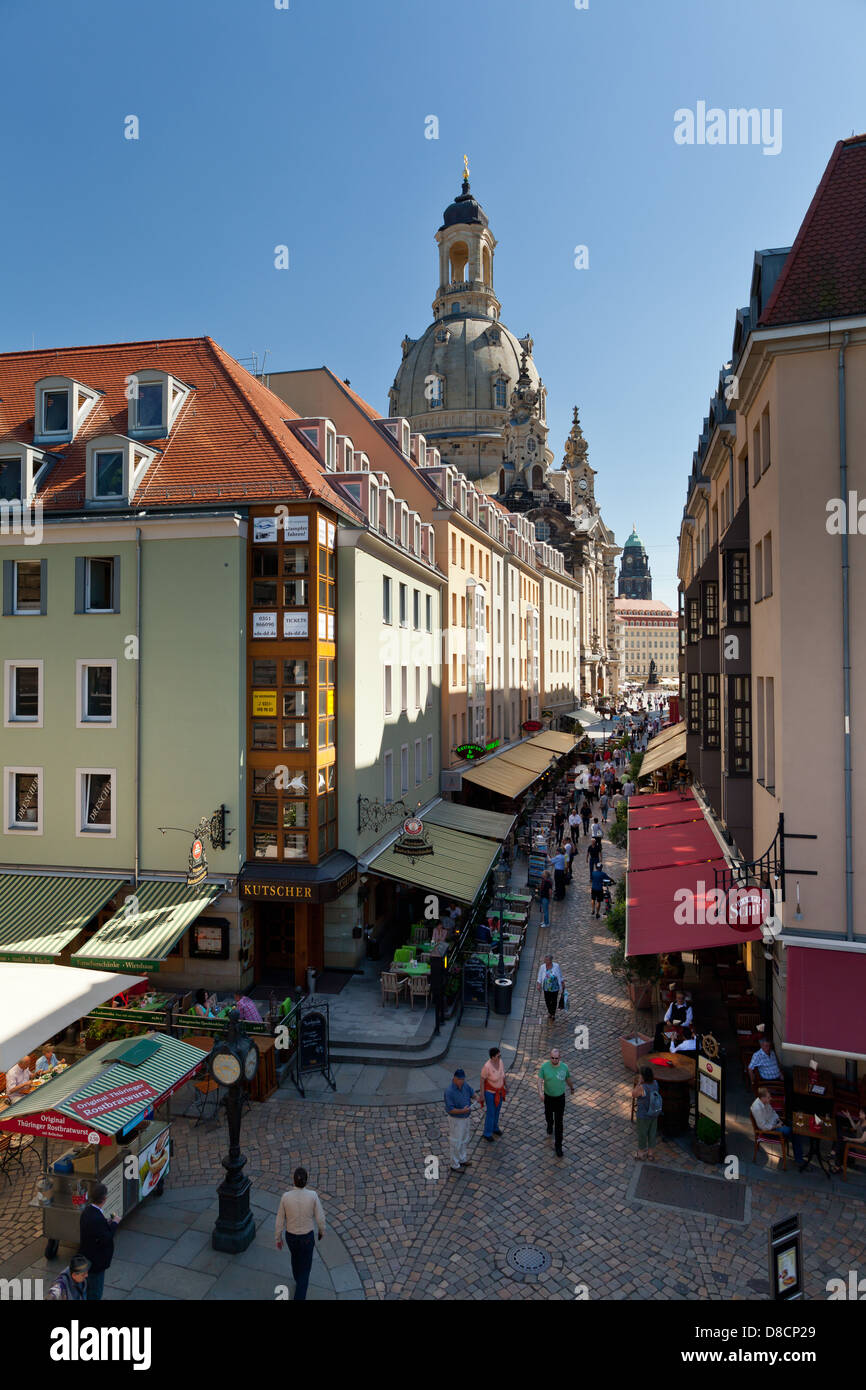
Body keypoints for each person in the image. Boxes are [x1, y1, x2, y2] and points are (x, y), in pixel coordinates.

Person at [275, 1166, 326, 1301]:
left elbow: (280, 1219)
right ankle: (300, 1291)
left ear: (294, 1180)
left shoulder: (286, 1197)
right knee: (306, 1267)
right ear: (306, 1181)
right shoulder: (312, 1196)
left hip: (291, 1236)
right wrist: (321, 1231)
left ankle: (297, 1278)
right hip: (307, 1237)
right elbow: (320, 1217)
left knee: (295, 1258)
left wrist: (278, 1238)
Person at [78, 1182, 120, 1301]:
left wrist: (105, 1223)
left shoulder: (87, 1211)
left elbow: (94, 1231)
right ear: (104, 1199)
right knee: (95, 1292)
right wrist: (115, 1223)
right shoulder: (97, 1218)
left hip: (86, 1257)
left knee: (86, 1288)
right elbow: (106, 1238)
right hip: (96, 1262)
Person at [751, 1088, 804, 1165]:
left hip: (775, 1124)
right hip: (769, 1131)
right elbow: (763, 1127)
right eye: (769, 1097)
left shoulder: (765, 1102)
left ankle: (799, 1156)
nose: (771, 1098)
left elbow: (773, 1112)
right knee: (795, 1133)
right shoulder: (757, 1108)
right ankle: (799, 1160)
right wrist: (776, 1126)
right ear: (762, 1098)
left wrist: (779, 1120)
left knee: (795, 1126)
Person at [537, 1046, 574, 1157]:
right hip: (548, 1097)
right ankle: (549, 1123)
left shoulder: (564, 1067)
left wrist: (572, 1088)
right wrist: (540, 1092)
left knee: (559, 1123)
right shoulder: (544, 1067)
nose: (554, 1060)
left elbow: (568, 1079)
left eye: (556, 1058)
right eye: (552, 1058)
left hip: (560, 1099)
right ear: (550, 1057)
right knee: (548, 1115)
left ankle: (558, 1146)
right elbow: (539, 1081)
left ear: (560, 1058)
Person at [444, 1069, 475, 1172]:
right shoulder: (449, 1091)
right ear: (454, 1078)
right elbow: (451, 1109)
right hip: (456, 1120)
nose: (462, 1082)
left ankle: (462, 1159)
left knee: (464, 1139)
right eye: (460, 1080)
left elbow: (472, 1093)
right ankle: (454, 1164)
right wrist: (462, 1110)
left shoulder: (465, 1085)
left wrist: (478, 1097)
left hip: (465, 1118)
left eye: (463, 1079)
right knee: (456, 1141)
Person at [632, 1066, 661, 1161]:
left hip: (643, 1116)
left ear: (643, 1077)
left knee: (642, 1133)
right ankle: (650, 1153)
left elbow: (634, 1094)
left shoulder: (642, 1087)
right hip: (654, 1113)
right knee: (652, 1133)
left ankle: (640, 1153)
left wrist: (639, 1083)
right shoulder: (655, 1083)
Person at [479, 1047, 506, 1141]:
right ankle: (487, 1133)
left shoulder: (501, 1062)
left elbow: (503, 1074)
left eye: (500, 1055)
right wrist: (482, 1094)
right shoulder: (487, 1067)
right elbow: (482, 1080)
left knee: (497, 1111)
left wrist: (506, 1085)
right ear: (493, 1057)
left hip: (499, 1091)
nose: (500, 1057)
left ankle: (495, 1128)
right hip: (490, 1093)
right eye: (498, 1056)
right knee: (491, 1112)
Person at [831, 1106, 866, 1173]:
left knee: (842, 1143)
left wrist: (849, 1139)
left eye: (861, 1112)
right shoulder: (861, 1120)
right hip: (856, 1139)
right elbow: (855, 1127)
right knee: (841, 1135)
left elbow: (862, 1140)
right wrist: (849, 1117)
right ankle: (834, 1152)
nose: (859, 1113)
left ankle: (837, 1166)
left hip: (861, 1147)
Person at [537, 955, 564, 1022]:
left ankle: (552, 1014)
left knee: (554, 1000)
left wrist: (562, 983)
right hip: (546, 988)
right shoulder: (542, 967)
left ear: (551, 961)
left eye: (547, 960)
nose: (545, 961)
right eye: (545, 960)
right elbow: (540, 976)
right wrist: (538, 984)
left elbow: (560, 975)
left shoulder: (556, 966)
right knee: (547, 1000)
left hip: (555, 987)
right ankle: (550, 1011)